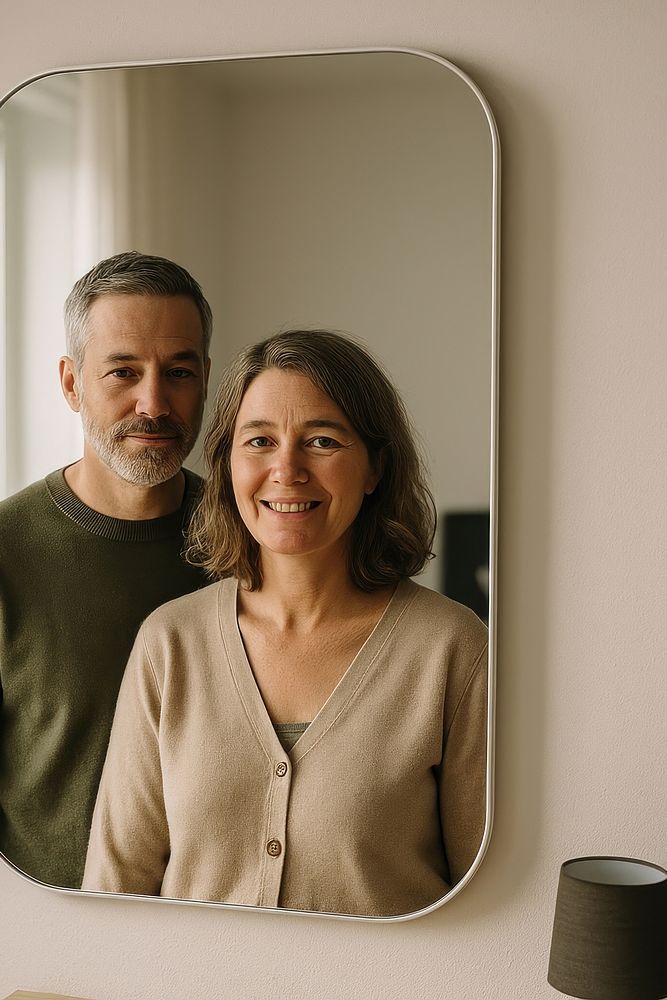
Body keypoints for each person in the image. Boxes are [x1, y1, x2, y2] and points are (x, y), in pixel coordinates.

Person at [83, 329, 488, 918]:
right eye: (260, 441)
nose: (287, 469)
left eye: (322, 440)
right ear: (227, 466)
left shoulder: (452, 650)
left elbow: (488, 907)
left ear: (375, 467)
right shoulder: (169, 645)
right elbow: (113, 891)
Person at [0, 250, 213, 890]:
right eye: (122, 372)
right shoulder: (6, 552)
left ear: (204, 379)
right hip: (49, 961)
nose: (154, 402)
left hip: (225, 943)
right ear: (71, 384)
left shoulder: (255, 542)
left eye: (178, 371)